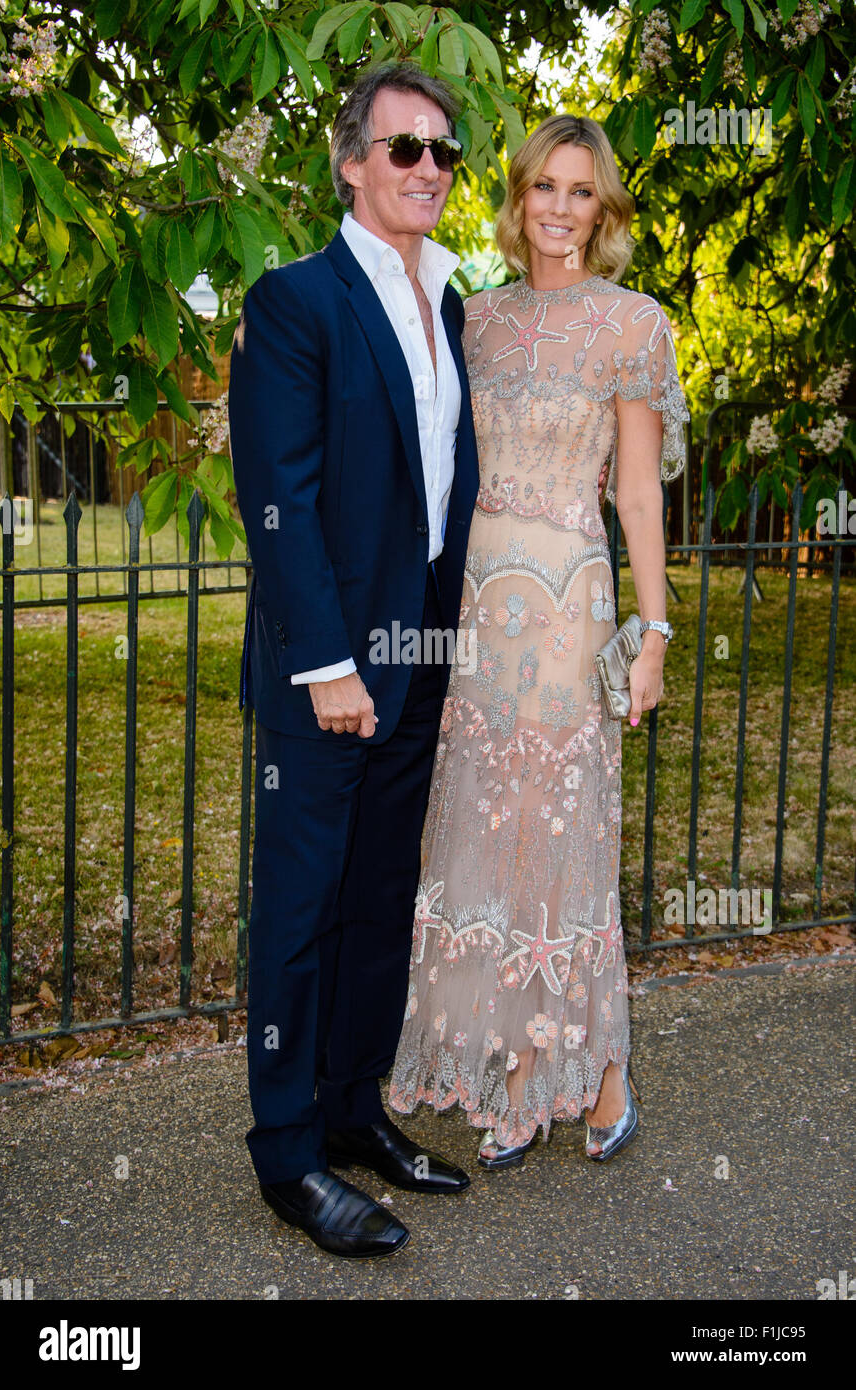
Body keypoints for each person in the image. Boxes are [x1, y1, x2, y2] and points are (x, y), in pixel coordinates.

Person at [389, 113, 690, 1168]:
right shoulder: (473, 320)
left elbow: (639, 497)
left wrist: (653, 635)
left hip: (570, 608)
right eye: (543, 187)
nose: (559, 208)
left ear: (603, 210)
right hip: (477, 611)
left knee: (557, 841)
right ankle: (512, 1065)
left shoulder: (633, 326)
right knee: (480, 832)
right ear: (518, 198)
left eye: (580, 191)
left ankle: (592, 1071)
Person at [227, 61, 480, 1258]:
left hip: (418, 652)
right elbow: (276, 494)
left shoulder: (452, 301)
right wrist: (327, 663)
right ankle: (287, 1154)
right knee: (299, 910)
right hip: (326, 671)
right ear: (349, 164)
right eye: (403, 147)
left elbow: (443, 488)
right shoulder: (295, 300)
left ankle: (351, 1108)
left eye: (444, 151)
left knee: (379, 899)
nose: (428, 167)